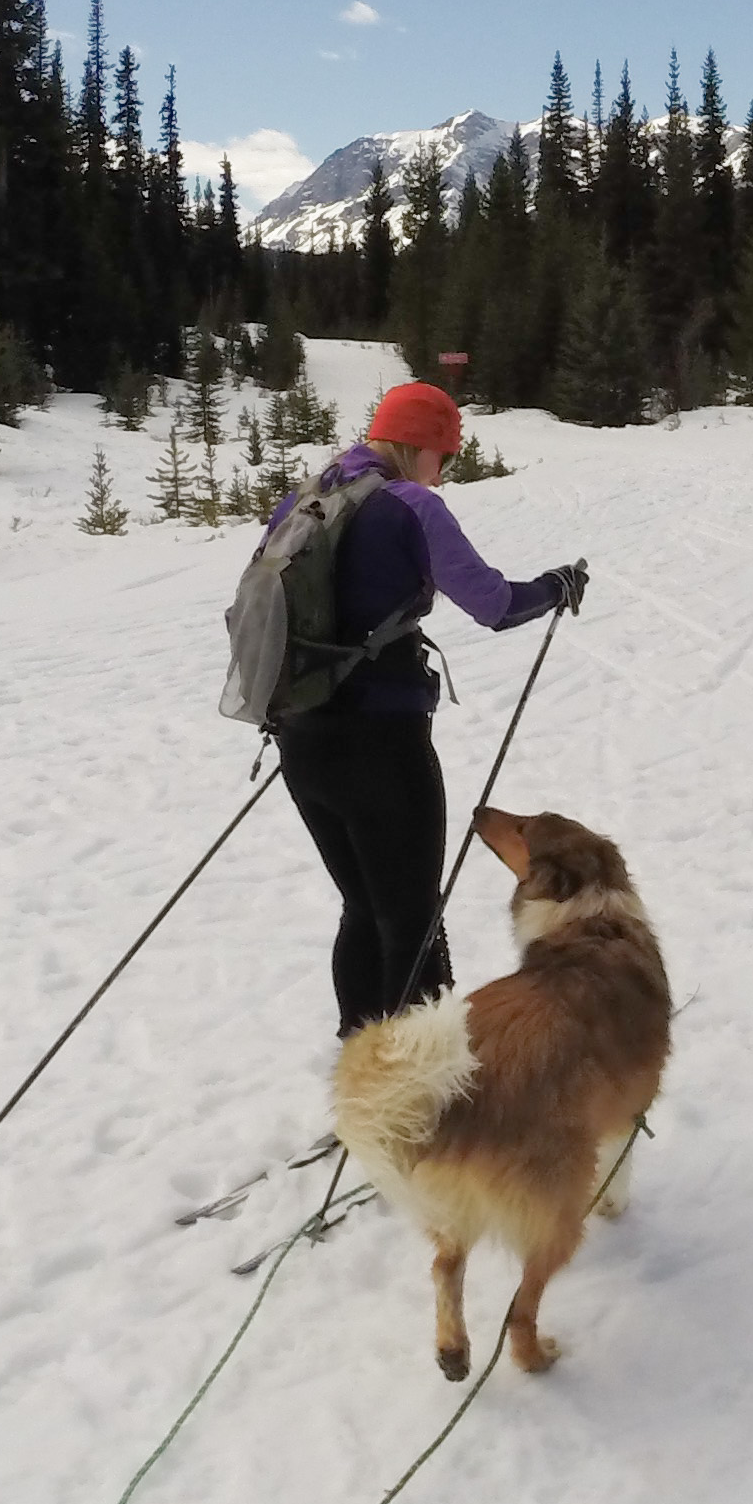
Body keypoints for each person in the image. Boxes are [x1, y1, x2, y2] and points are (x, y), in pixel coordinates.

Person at [272, 380, 586, 1035]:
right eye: (444, 457)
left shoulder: (309, 498)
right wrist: (555, 587)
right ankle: (431, 1101)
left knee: (362, 908)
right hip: (382, 746)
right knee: (413, 922)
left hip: (302, 739)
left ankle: (362, 1079)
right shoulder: (409, 506)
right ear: (421, 447)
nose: (442, 475)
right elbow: (493, 604)